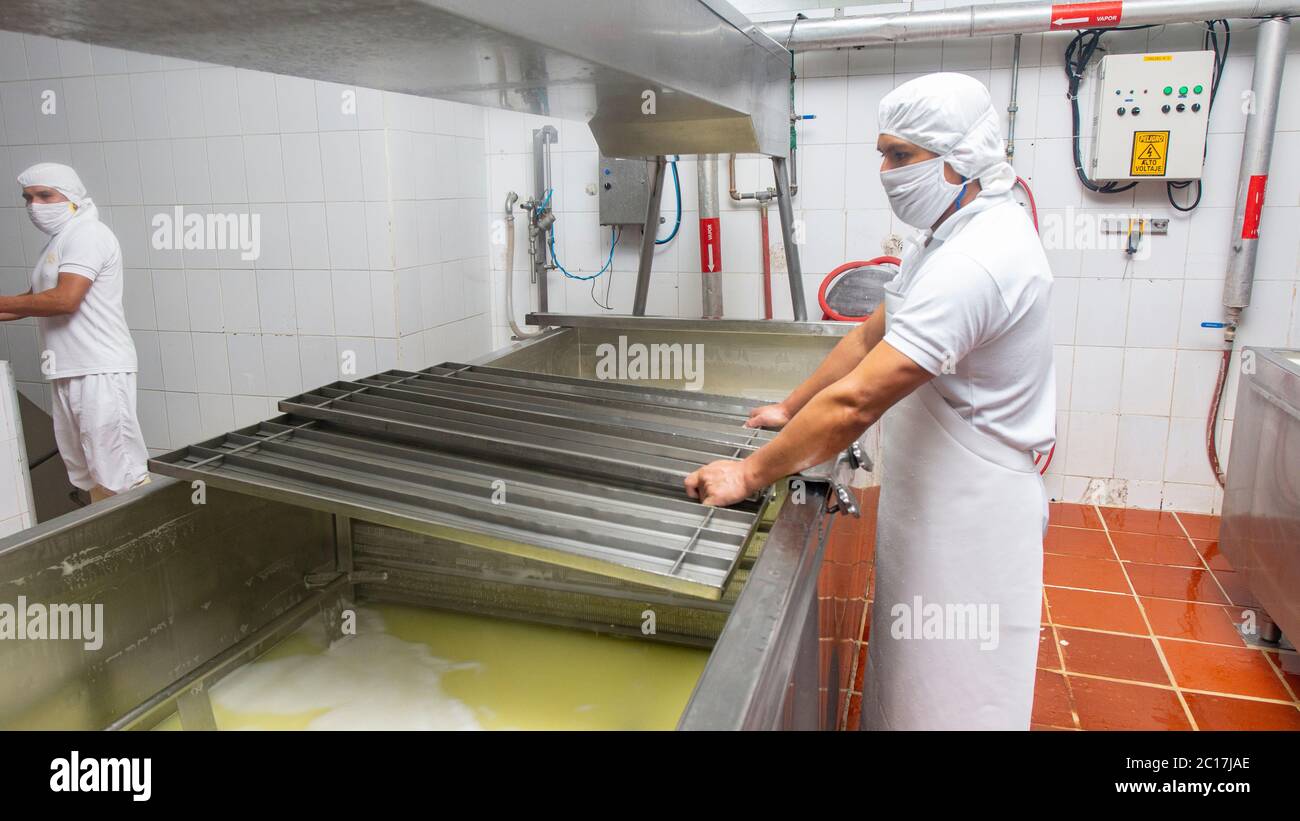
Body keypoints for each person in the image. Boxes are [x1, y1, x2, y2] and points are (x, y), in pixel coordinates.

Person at [684, 73, 1055, 730]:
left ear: (958, 159)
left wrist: (747, 471)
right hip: (933, 494)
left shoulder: (980, 260)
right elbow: (865, 340)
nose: (885, 171)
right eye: (882, 153)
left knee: (955, 691)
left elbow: (857, 401)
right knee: (908, 673)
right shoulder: (943, 237)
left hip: (974, 517)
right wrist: (793, 406)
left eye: (900, 155)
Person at [4, 163, 149, 503]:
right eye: (28, 198)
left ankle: (147, 542)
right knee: (90, 471)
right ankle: (113, 545)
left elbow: (64, 300)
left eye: (45, 196)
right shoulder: (59, 242)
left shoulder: (88, 235)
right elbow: (31, 300)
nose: (34, 206)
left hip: (98, 367)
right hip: (68, 369)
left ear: (70, 197)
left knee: (120, 470)